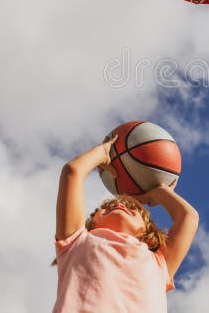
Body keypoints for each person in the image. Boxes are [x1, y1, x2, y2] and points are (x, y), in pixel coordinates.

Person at [52, 133, 199, 313]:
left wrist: (158, 189)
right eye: (107, 207)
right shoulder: (76, 240)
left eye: (135, 210)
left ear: (147, 230)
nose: (120, 205)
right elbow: (72, 172)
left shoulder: (160, 262)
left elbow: (188, 217)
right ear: (93, 222)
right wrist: (103, 152)